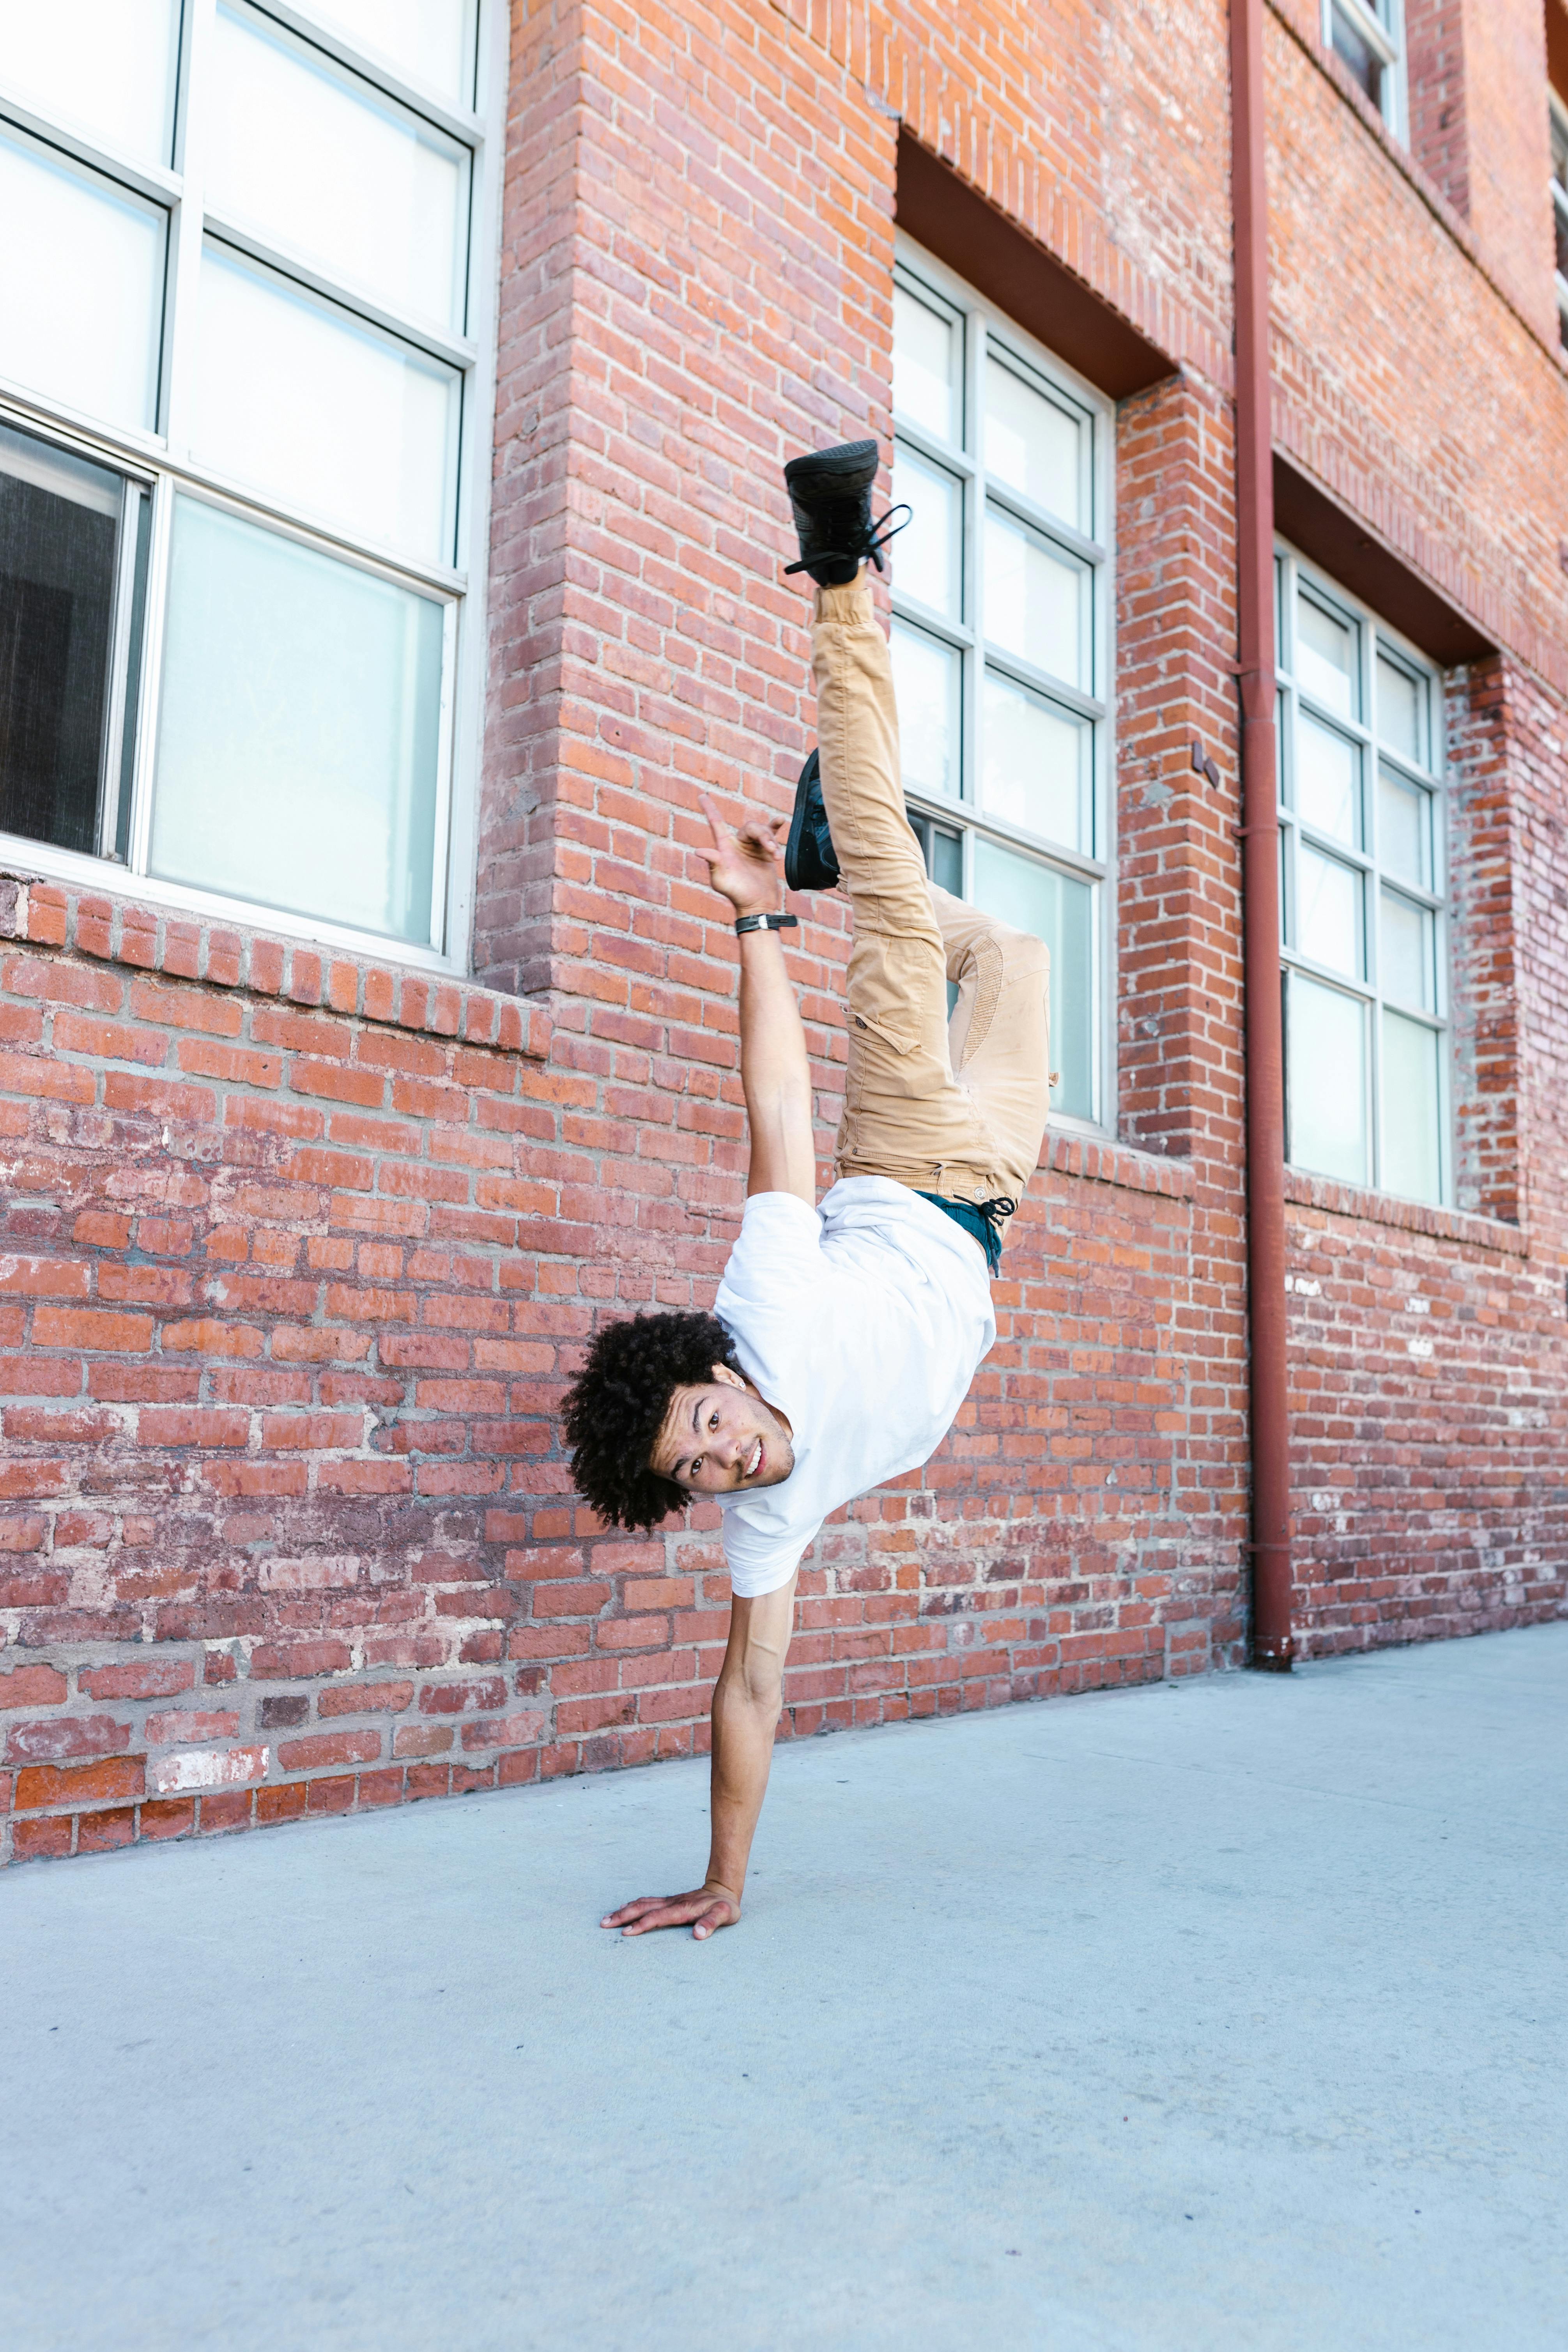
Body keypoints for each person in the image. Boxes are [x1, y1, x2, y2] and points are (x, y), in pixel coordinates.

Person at [561, 440, 1052, 1939]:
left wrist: (762, 922)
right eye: (699, 1471)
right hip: (994, 1197)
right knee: (1016, 957)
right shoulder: (758, 1527)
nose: (730, 1463)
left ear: (717, 1375)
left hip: (908, 1151)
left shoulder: (759, 1305)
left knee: (902, 902)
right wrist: (725, 1878)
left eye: (708, 1427)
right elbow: (751, 1683)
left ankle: (838, 567)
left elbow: (776, 1109)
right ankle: (853, 852)